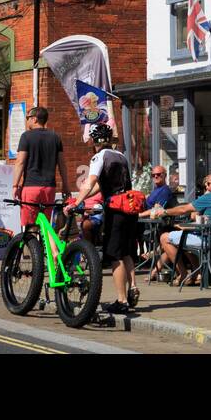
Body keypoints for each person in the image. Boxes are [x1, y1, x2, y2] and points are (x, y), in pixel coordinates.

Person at [65, 123, 138, 314]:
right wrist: (83, 198)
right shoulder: (121, 156)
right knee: (126, 251)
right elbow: (103, 186)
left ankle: (121, 301)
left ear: (95, 141)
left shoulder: (99, 157)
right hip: (130, 208)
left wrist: (76, 203)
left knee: (114, 255)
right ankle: (133, 288)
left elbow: (90, 182)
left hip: (116, 210)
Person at [152, 171, 211, 284]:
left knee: (165, 237)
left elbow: (184, 209)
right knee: (186, 237)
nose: (206, 187)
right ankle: (198, 274)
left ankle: (184, 274)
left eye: (208, 184)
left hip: (208, 240)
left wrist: (164, 211)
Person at [12, 107, 69, 228]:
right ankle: (48, 247)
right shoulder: (55, 137)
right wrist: (66, 185)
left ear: (34, 119)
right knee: (46, 225)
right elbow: (62, 164)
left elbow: (20, 162)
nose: (26, 121)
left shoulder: (26, 137)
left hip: (31, 187)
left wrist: (15, 185)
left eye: (27, 118)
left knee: (29, 227)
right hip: (49, 188)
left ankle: (31, 247)